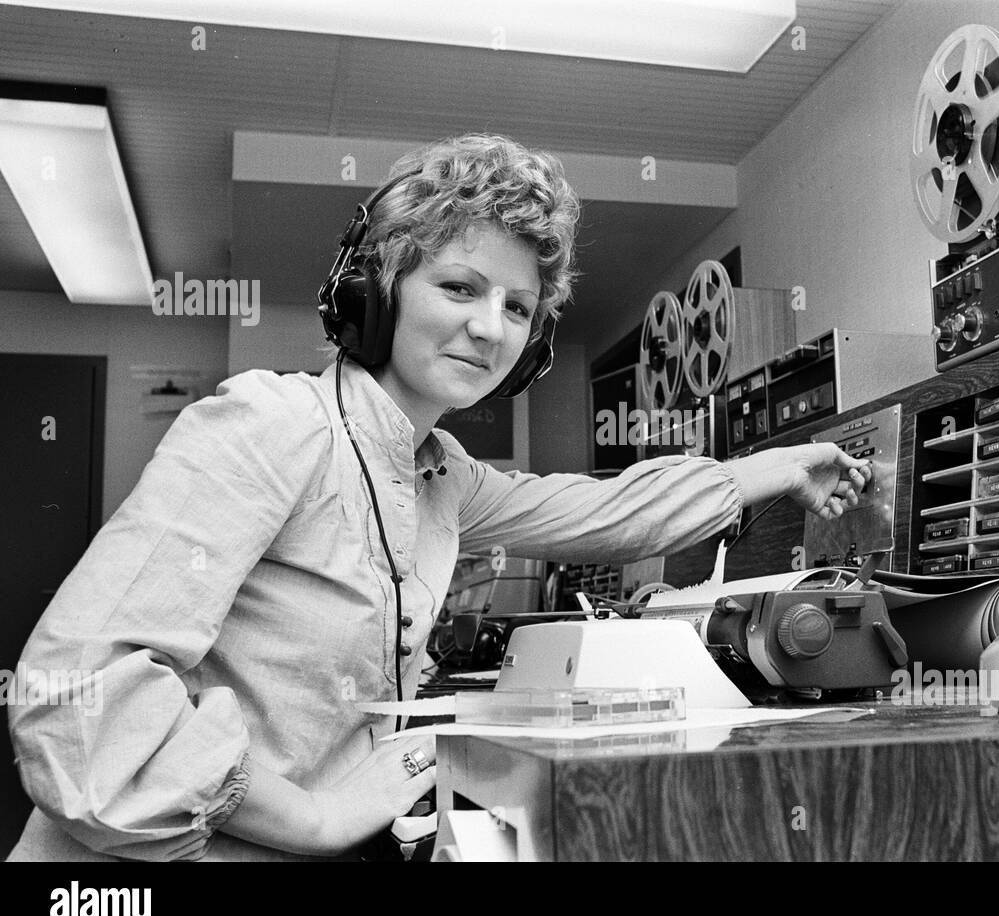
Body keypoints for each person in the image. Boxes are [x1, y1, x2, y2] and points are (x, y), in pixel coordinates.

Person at [6, 133, 871, 861]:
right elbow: (73, 695)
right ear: (377, 290)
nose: (491, 327)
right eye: (460, 287)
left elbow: (601, 512)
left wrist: (777, 466)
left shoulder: (440, 472)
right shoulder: (272, 424)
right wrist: (319, 817)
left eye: (518, 307)